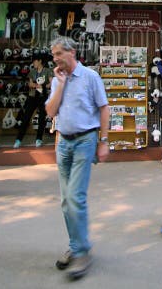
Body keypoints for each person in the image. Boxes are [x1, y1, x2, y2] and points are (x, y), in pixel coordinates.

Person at [45, 37, 110, 280]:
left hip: (85, 140)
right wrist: (60, 85)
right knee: (66, 200)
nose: (55, 59)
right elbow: (51, 112)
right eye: (53, 55)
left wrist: (104, 141)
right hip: (64, 142)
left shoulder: (91, 77)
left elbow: (104, 108)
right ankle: (75, 246)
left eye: (58, 54)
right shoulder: (56, 80)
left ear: (72, 52)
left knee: (76, 197)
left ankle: (82, 252)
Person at [15, 54, 53, 148]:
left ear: (40, 61)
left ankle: (38, 139)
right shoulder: (32, 71)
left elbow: (51, 83)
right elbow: (30, 83)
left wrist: (42, 86)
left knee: (41, 118)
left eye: (35, 61)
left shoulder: (48, 71)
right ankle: (18, 139)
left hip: (43, 96)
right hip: (32, 96)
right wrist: (34, 85)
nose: (33, 63)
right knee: (26, 117)